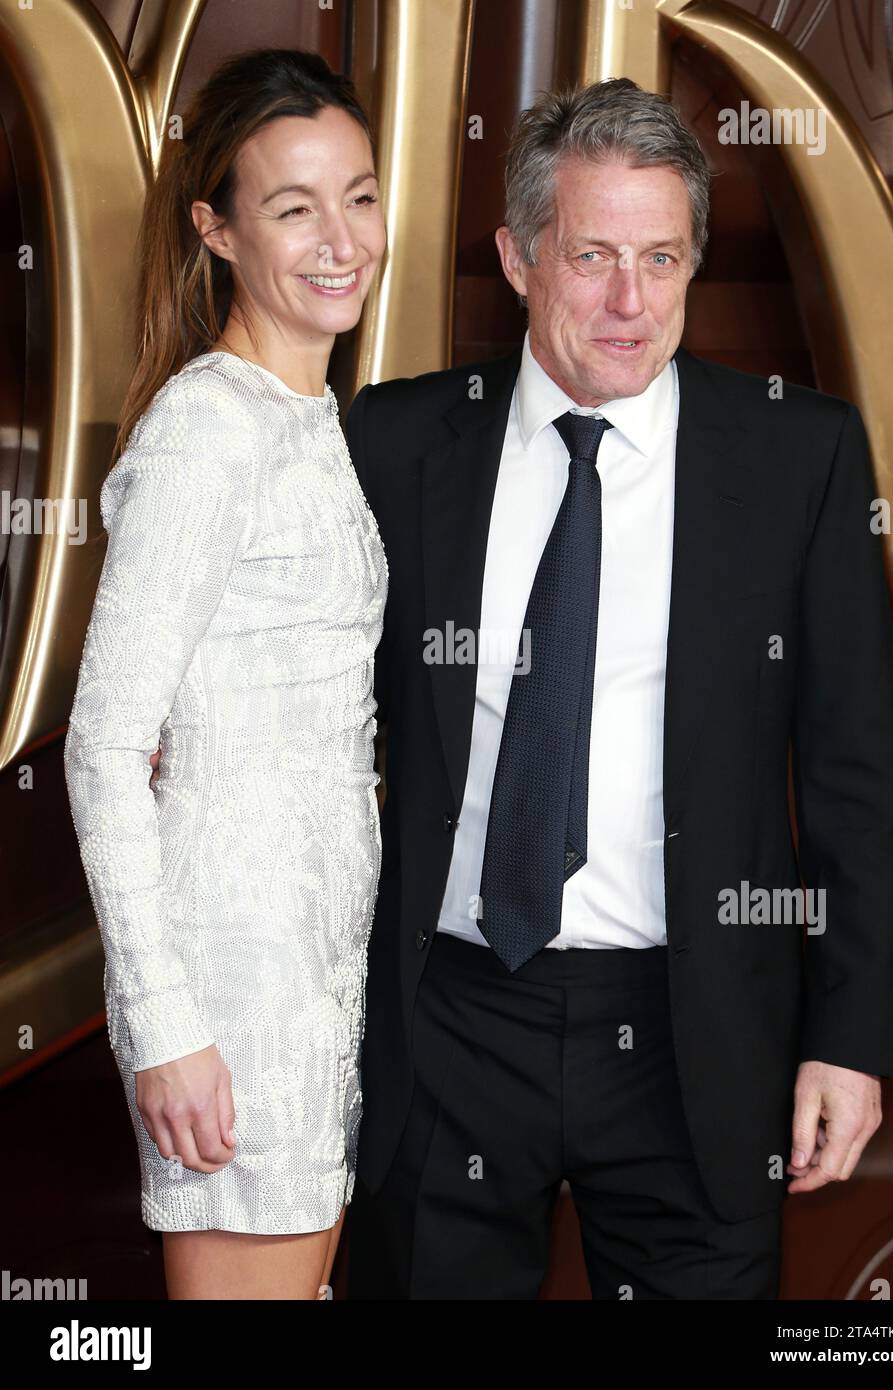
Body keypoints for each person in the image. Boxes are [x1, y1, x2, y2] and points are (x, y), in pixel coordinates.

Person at [342, 78, 893, 1299]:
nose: (629, 301)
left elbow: (858, 770)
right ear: (515, 255)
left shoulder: (795, 453)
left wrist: (852, 1040)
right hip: (448, 1019)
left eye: (663, 259)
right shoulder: (393, 444)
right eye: (592, 254)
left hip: (692, 1032)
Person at [63, 48, 387, 1300]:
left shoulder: (305, 418)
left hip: (317, 971)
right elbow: (103, 748)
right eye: (291, 206)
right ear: (215, 229)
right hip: (234, 997)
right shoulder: (206, 430)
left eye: (357, 195)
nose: (339, 238)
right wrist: (166, 1026)